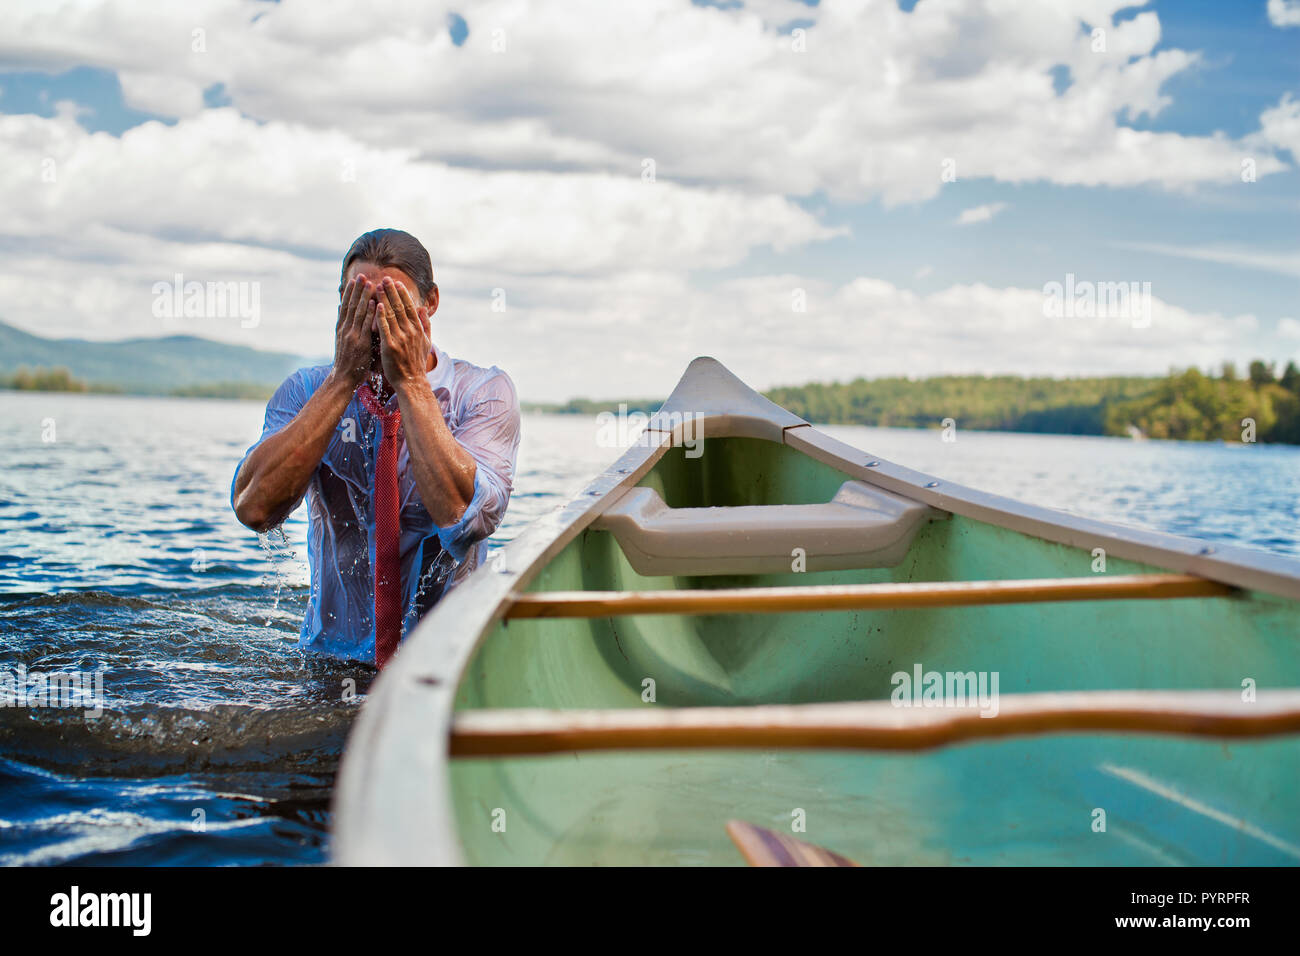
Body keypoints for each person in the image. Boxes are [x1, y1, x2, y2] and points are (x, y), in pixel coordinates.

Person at [231, 228, 520, 667]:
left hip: (444, 667)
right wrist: (342, 381)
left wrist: (410, 384)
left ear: (431, 302)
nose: (376, 321)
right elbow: (253, 508)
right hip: (329, 662)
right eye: (359, 301)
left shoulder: (481, 394)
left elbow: (466, 521)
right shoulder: (306, 391)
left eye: (396, 303)